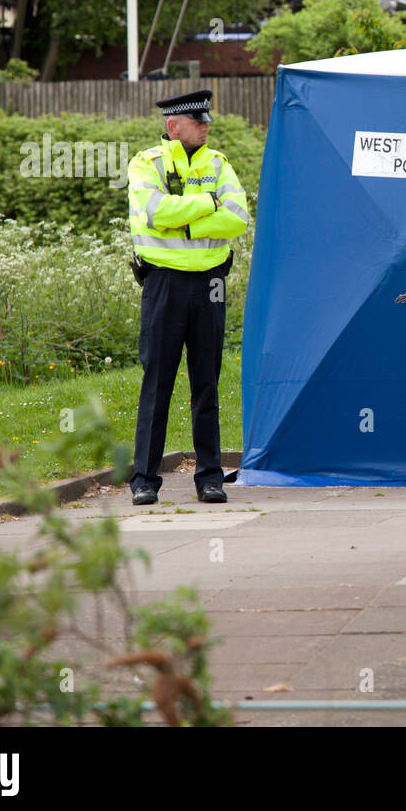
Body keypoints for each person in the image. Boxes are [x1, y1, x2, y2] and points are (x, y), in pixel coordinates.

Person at [126, 89, 251, 505]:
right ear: (173, 126)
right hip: (163, 283)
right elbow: (155, 213)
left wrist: (186, 225)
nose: (207, 127)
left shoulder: (219, 164)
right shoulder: (147, 163)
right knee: (156, 382)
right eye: (199, 123)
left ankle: (210, 478)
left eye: (207, 122)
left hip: (209, 285)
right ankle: (144, 479)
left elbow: (237, 217)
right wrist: (205, 203)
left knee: (206, 384)